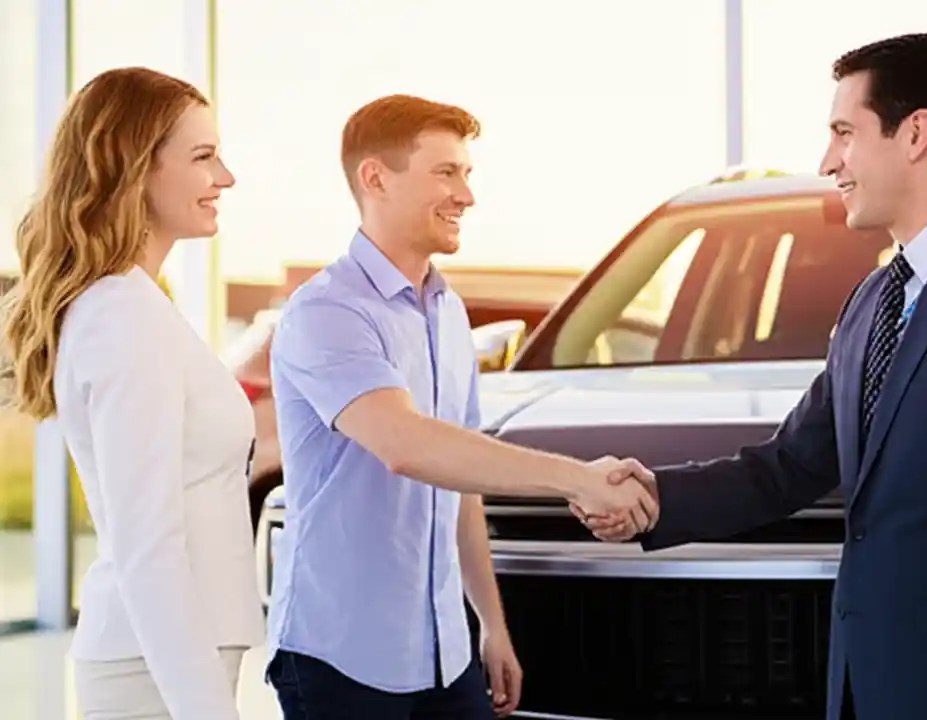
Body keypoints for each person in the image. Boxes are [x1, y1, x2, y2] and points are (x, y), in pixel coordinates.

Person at [580, 33, 927, 719]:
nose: (828, 161)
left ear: (916, 133)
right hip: (863, 692)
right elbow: (790, 466)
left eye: (844, 133)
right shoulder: (873, 300)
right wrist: (653, 500)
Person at [263, 93, 656, 719]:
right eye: (446, 172)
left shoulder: (446, 311)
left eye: (466, 174)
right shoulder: (327, 312)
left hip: (444, 657)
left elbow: (460, 483)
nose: (466, 195)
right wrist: (577, 480)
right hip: (342, 658)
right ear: (375, 179)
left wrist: (488, 622)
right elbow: (407, 447)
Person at [0, 67, 260, 719]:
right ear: (136, 167)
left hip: (165, 661)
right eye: (203, 157)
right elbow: (148, 546)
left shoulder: (135, 304)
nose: (225, 177)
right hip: (155, 676)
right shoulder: (121, 313)